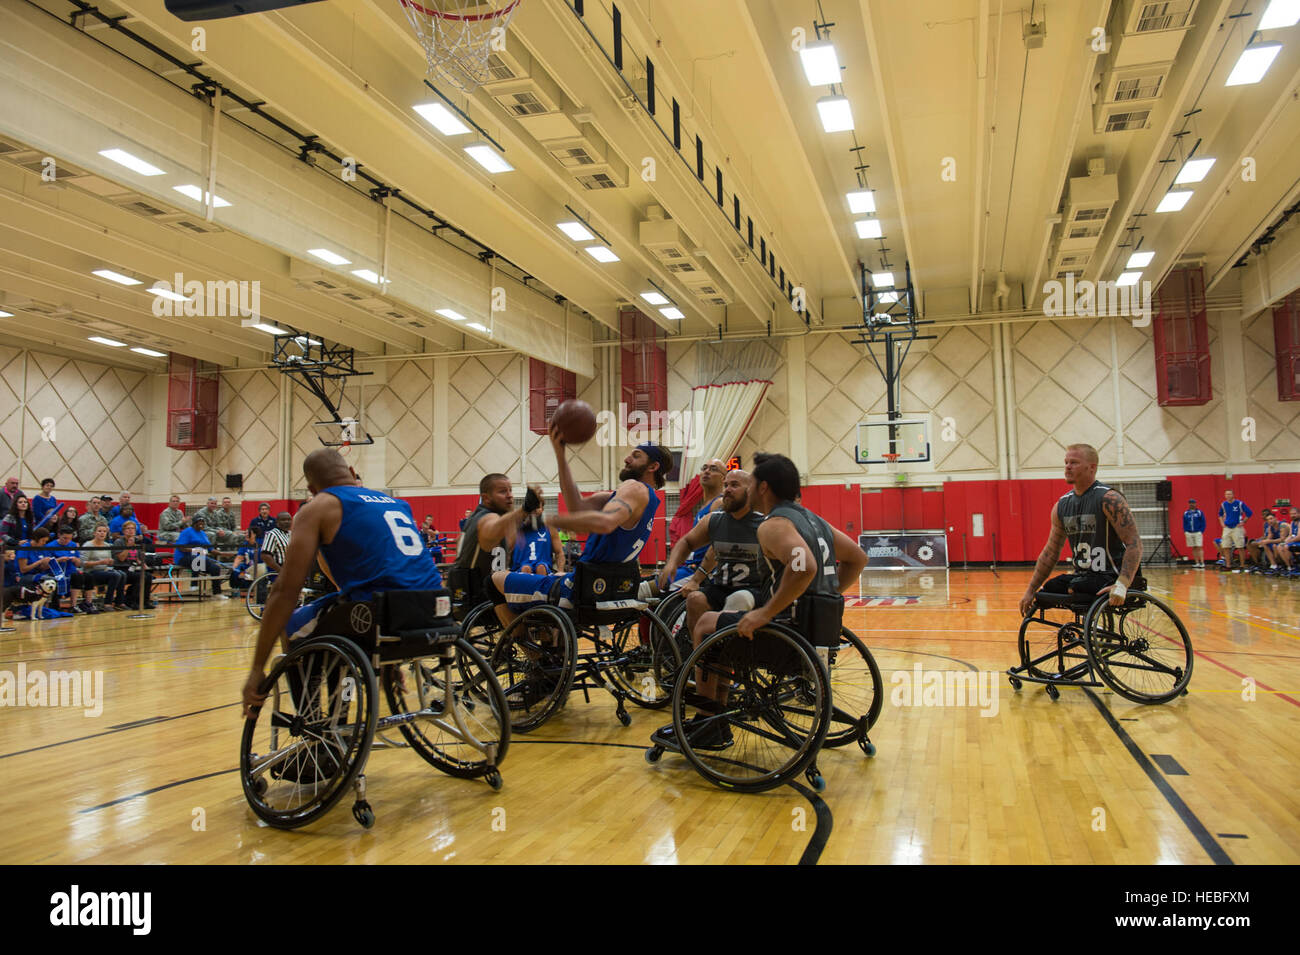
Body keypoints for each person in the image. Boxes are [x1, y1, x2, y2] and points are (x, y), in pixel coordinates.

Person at [240, 449, 445, 718]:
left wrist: (257, 669)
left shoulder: (319, 507)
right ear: (350, 472)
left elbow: (285, 590)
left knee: (292, 625)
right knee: (342, 622)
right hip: (435, 607)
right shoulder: (396, 503)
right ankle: (341, 711)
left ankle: (312, 723)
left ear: (312, 489)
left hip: (379, 612)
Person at [683, 453, 867, 749]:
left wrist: (766, 612)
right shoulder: (814, 520)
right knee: (723, 619)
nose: (750, 488)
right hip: (819, 627)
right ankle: (716, 713)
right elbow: (858, 558)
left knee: (705, 624)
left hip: (787, 631)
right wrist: (826, 597)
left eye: (752, 482)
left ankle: (708, 721)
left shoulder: (773, 525)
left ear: (763, 487)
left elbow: (803, 566)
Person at [489, 432, 670, 624]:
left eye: (636, 455)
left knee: (494, 580)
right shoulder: (647, 500)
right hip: (609, 589)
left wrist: (549, 521)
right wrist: (560, 454)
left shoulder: (634, 487)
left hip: (580, 592)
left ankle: (524, 648)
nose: (626, 459)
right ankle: (549, 640)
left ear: (653, 466)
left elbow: (604, 523)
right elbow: (576, 506)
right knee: (556, 573)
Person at [1018, 443, 1143, 618]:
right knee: (1050, 587)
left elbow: (1134, 544)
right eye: (1066, 462)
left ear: (1092, 467)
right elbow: (1050, 552)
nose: (1067, 467)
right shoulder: (1061, 506)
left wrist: (1122, 583)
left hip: (1110, 574)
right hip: (1084, 575)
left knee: (1077, 586)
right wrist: (1030, 590)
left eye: (1074, 462)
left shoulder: (1109, 499)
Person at [658, 469, 769, 641]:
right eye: (725, 485)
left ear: (750, 490)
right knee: (695, 598)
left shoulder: (764, 524)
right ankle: (700, 659)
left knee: (738, 598)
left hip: (754, 591)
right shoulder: (714, 520)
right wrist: (672, 563)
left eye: (734, 485)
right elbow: (687, 542)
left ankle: (726, 655)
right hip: (721, 587)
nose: (727, 490)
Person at [454, 473, 533, 621]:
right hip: (477, 592)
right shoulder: (488, 517)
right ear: (486, 497)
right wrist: (524, 510)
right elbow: (492, 527)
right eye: (503, 491)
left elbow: (504, 547)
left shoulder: (477, 517)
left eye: (510, 490)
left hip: (464, 585)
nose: (509, 495)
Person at [669, 459, 727, 587]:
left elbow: (718, 546)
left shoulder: (719, 503)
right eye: (704, 468)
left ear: (724, 479)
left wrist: (698, 577)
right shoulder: (704, 506)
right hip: (690, 567)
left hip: (701, 572)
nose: (707, 471)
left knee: (646, 589)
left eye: (713, 469)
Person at [173, 515, 225, 596]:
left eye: (203, 523)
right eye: (199, 523)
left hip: (200, 559)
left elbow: (210, 549)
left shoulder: (203, 534)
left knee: (215, 568)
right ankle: (194, 585)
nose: (201, 524)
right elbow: (181, 547)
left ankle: (217, 593)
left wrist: (223, 553)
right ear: (194, 523)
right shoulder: (187, 532)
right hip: (183, 558)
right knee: (198, 559)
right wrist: (195, 550)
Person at [82, 523, 128, 610]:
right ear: (94, 533)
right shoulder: (88, 545)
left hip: (104, 570)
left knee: (122, 574)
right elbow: (83, 563)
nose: (102, 533)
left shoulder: (107, 545)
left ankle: (119, 602)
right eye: (99, 531)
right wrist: (99, 562)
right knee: (115, 575)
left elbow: (109, 561)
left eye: (104, 531)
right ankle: (107, 603)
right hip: (91, 572)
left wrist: (110, 562)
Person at [112, 521, 156, 609]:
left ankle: (144, 601)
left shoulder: (136, 543)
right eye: (128, 529)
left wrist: (143, 564)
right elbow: (121, 558)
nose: (130, 531)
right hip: (121, 568)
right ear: (124, 531)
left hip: (133, 568)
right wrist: (128, 546)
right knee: (140, 577)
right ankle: (133, 601)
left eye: (132, 529)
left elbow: (138, 559)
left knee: (148, 576)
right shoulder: (119, 542)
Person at [511, 509, 564, 575]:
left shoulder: (550, 528)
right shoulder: (516, 527)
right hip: (521, 568)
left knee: (541, 568)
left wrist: (560, 572)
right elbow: (507, 549)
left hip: (544, 567)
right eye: (531, 506)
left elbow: (559, 552)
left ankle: (543, 583)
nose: (533, 509)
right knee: (525, 569)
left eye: (536, 506)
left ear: (542, 509)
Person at [1218, 490, 1253, 572]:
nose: (1228, 495)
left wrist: (1243, 521)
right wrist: (1222, 523)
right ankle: (1228, 565)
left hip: (1237, 528)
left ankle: (1242, 565)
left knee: (1240, 547)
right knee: (1226, 547)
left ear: (1233, 495)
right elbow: (1219, 514)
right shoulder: (1223, 504)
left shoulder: (1239, 503)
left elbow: (1249, 513)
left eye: (1229, 494)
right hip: (1227, 528)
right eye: (1226, 494)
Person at [229, 529, 259, 594]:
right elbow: (239, 558)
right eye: (245, 533)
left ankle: (250, 597)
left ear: (254, 535)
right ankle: (243, 597)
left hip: (258, 569)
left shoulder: (260, 544)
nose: (246, 535)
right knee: (239, 575)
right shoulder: (244, 545)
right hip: (247, 570)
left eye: (248, 533)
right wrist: (233, 567)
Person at [1275, 506, 1300, 576]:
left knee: (1286, 547)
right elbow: (1290, 535)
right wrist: (1284, 542)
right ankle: (1289, 567)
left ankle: (1294, 565)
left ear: (1299, 514)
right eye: (1291, 514)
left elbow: (1299, 536)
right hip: (1295, 541)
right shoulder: (1292, 522)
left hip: (1298, 541)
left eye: (1294, 514)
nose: (1293, 515)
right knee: (1280, 546)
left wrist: (1288, 542)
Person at [1181, 498, 1206, 568]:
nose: (1191, 504)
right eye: (1190, 503)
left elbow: (1203, 522)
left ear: (1195, 504)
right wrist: (1185, 531)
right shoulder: (1186, 513)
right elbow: (1184, 523)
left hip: (1197, 532)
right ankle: (1197, 562)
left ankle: (1202, 562)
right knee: (1193, 547)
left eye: (1193, 503)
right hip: (1189, 532)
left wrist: (1201, 530)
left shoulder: (1199, 512)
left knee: (1199, 547)